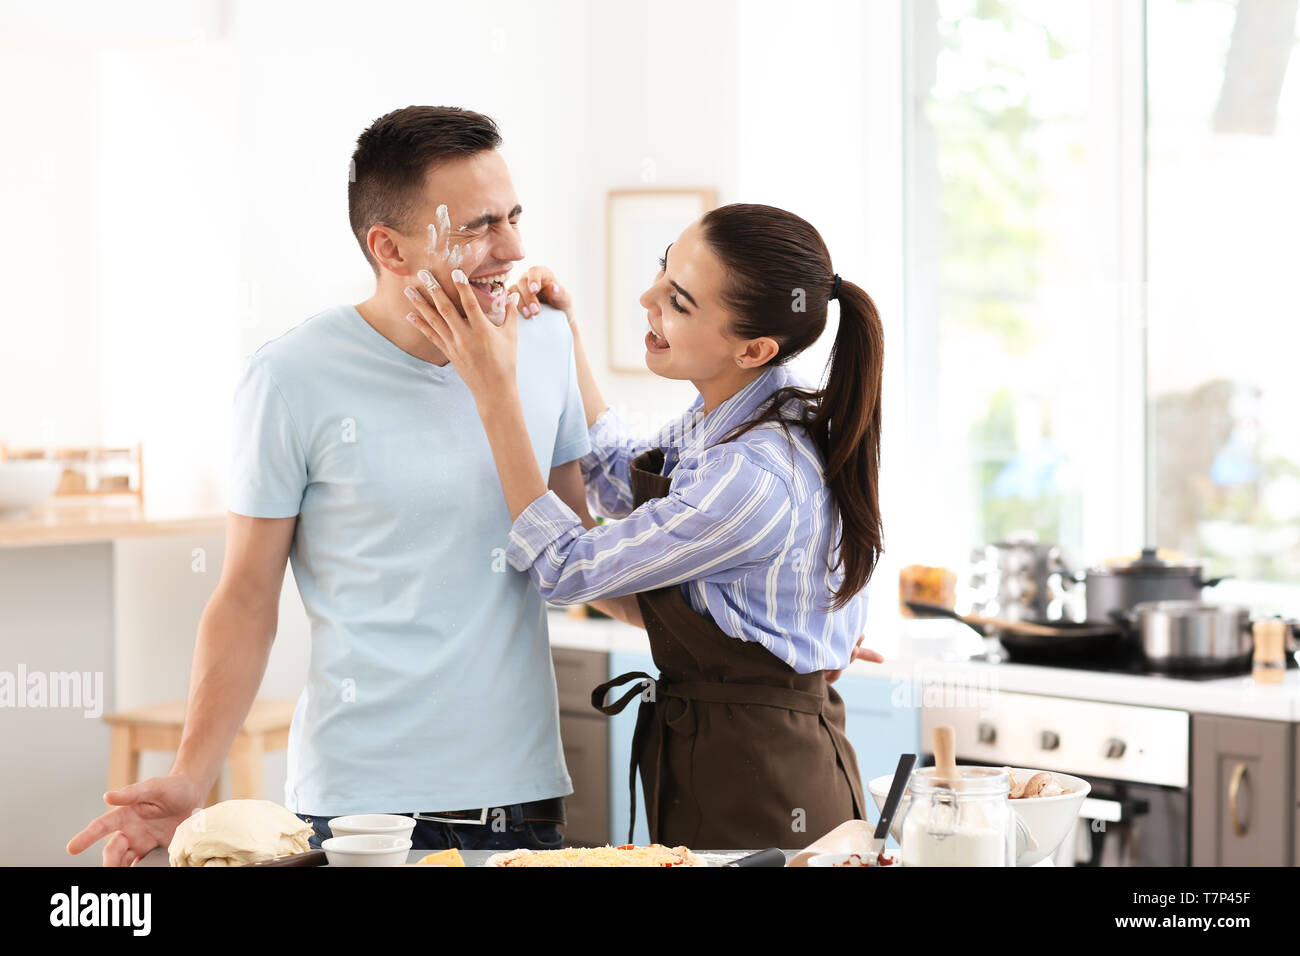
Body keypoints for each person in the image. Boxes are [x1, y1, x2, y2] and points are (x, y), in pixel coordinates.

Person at [66, 105, 644, 866]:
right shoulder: (291, 377)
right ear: (389, 247)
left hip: (519, 802)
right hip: (356, 808)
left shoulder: (540, 344)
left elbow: (583, 565)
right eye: (476, 226)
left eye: (513, 216)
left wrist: (768, 644)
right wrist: (190, 774)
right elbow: (244, 595)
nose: (511, 248)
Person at [403, 202, 886, 849]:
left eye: (679, 301)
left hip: (763, 780)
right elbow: (620, 478)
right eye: (665, 268)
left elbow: (565, 568)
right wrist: (564, 336)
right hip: (719, 752)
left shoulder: (751, 474)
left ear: (754, 347)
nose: (646, 297)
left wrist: (495, 392)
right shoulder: (741, 410)